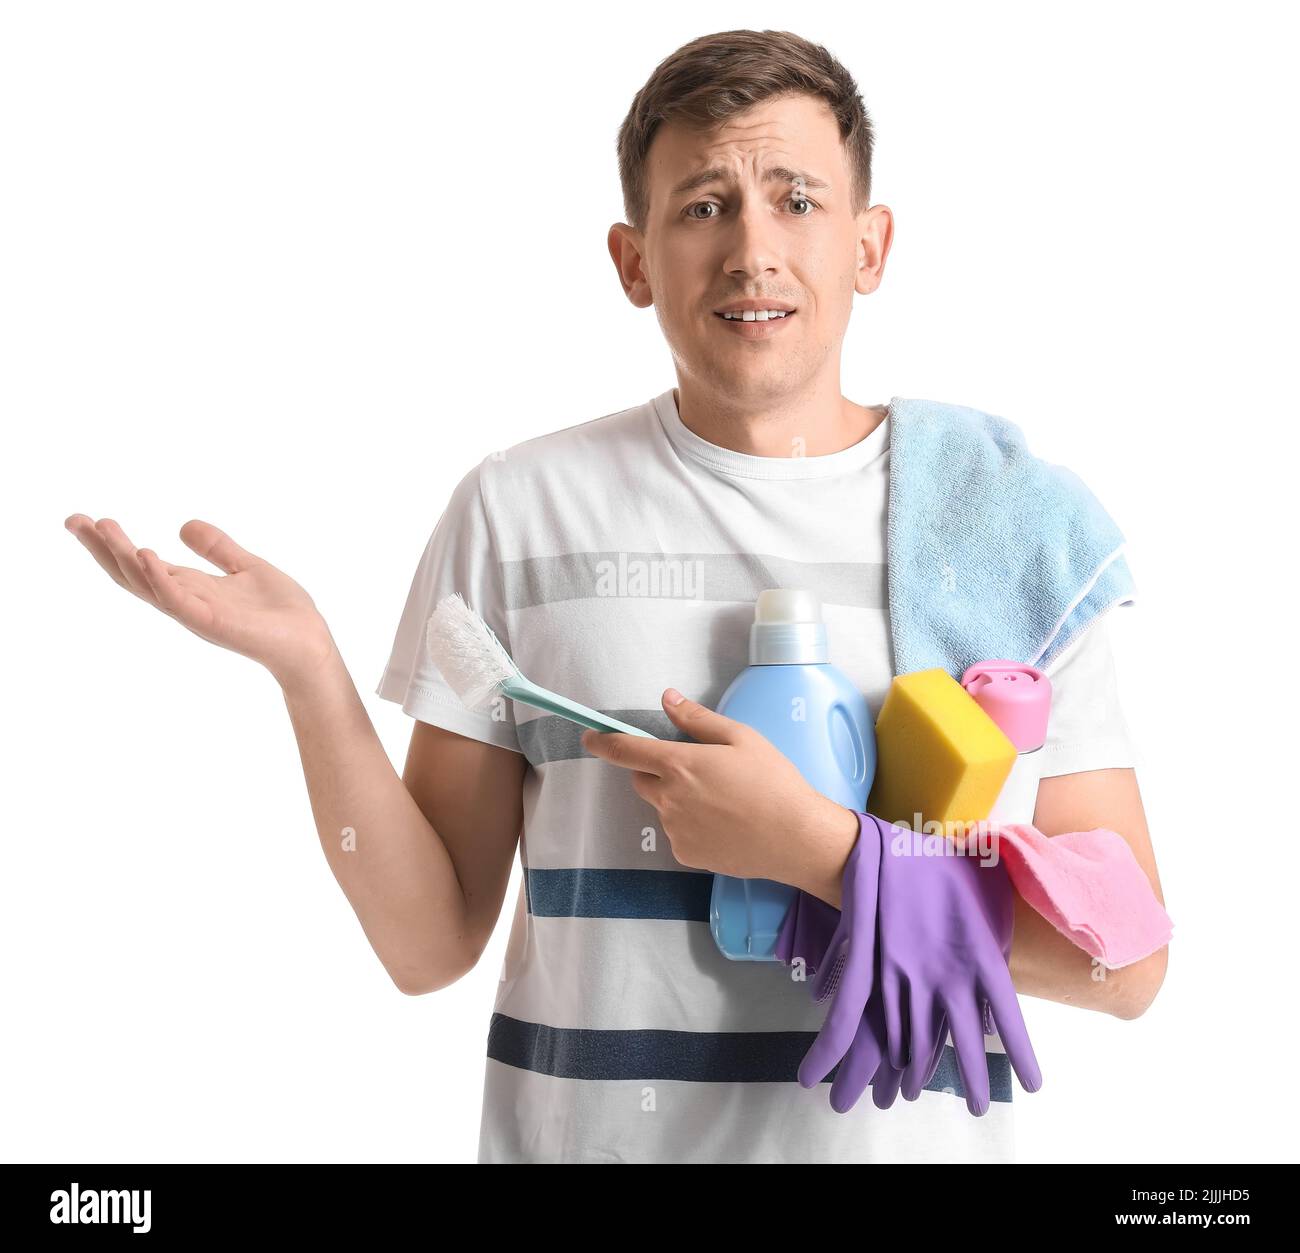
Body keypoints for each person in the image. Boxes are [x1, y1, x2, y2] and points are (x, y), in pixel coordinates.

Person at [66, 29, 1167, 1163]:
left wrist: (818, 850)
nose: (753, 249)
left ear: (869, 244)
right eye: (701, 206)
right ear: (632, 259)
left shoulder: (1005, 529)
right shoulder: (518, 511)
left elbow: (1123, 962)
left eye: (797, 199)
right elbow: (424, 942)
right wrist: (311, 675)